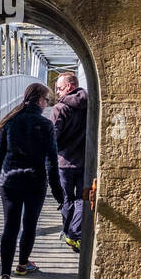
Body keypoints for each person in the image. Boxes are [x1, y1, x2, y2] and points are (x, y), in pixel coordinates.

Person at [0, 82, 65, 279]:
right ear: (40, 100)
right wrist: (58, 192)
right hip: (34, 180)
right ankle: (22, 265)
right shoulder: (45, 125)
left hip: (10, 180)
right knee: (29, 224)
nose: (46, 104)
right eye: (46, 101)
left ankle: (5, 275)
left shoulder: (10, 121)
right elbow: (51, 162)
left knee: (10, 226)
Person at [51, 71, 87, 252]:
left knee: (67, 199)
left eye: (59, 88)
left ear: (69, 87)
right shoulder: (89, 104)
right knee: (81, 199)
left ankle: (68, 233)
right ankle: (76, 234)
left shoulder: (60, 108)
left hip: (64, 162)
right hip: (83, 161)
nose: (57, 93)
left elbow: (52, 137)